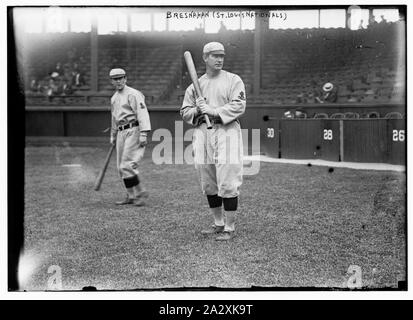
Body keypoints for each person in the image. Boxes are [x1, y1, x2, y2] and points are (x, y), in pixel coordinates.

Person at [180, 42, 246, 241]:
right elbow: (184, 111)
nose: (219, 59)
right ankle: (218, 223)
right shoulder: (195, 85)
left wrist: (214, 111)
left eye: (222, 56)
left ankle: (230, 227)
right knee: (207, 178)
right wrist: (198, 111)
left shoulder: (233, 80)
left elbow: (239, 105)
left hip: (227, 129)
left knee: (228, 177)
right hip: (202, 131)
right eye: (215, 56)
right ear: (205, 58)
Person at [109, 68, 151, 206]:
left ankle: (140, 192)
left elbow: (142, 113)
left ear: (125, 79)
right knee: (120, 167)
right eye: (115, 79)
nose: (119, 81)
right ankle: (131, 195)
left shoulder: (133, 94)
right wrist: (113, 135)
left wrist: (144, 133)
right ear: (112, 81)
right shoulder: (114, 98)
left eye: (121, 78)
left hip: (134, 129)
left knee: (126, 165)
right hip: (121, 132)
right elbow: (114, 118)